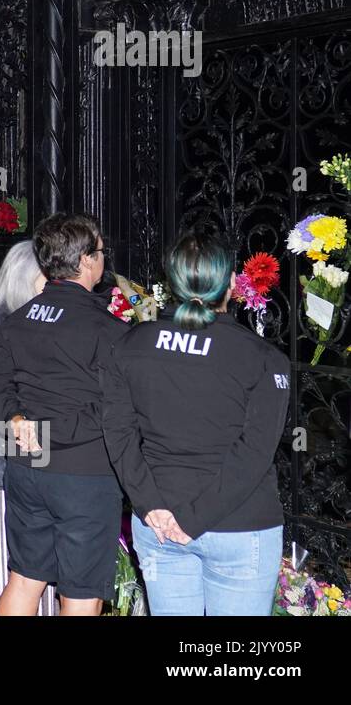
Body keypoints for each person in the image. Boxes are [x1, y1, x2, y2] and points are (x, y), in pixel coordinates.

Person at [102, 234, 290, 615]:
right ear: (233, 282)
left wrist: (150, 503)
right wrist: (192, 519)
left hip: (159, 522)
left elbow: (118, 433)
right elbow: (255, 451)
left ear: (172, 282)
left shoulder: (130, 345)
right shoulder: (262, 357)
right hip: (237, 524)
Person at [0, 213, 128, 615]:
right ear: (83, 260)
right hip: (83, 475)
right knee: (80, 594)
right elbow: (113, 408)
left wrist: (17, 422)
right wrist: (50, 430)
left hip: (26, 465)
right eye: (100, 251)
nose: (103, 259)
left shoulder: (16, 322)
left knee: (25, 579)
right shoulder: (107, 329)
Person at [0, 240, 57, 616]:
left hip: (15, 460)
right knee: (7, 567)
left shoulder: (14, 320)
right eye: (45, 273)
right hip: (0, 464)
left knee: (32, 566)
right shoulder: (4, 321)